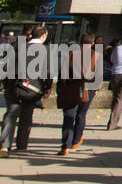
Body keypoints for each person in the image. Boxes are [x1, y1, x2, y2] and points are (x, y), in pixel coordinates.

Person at [1, 26, 52, 155]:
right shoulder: (46, 51)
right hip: (33, 89)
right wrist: (48, 87)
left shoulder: (17, 48)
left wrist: (6, 85)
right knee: (27, 116)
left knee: (11, 115)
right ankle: (22, 144)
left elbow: (6, 67)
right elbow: (48, 72)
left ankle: (5, 145)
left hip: (14, 87)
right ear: (43, 35)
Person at [57, 34, 98, 155]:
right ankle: (76, 139)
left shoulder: (69, 55)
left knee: (69, 116)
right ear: (92, 43)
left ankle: (66, 145)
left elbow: (62, 76)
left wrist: (60, 89)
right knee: (81, 114)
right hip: (87, 89)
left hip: (70, 89)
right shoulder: (96, 56)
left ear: (79, 43)